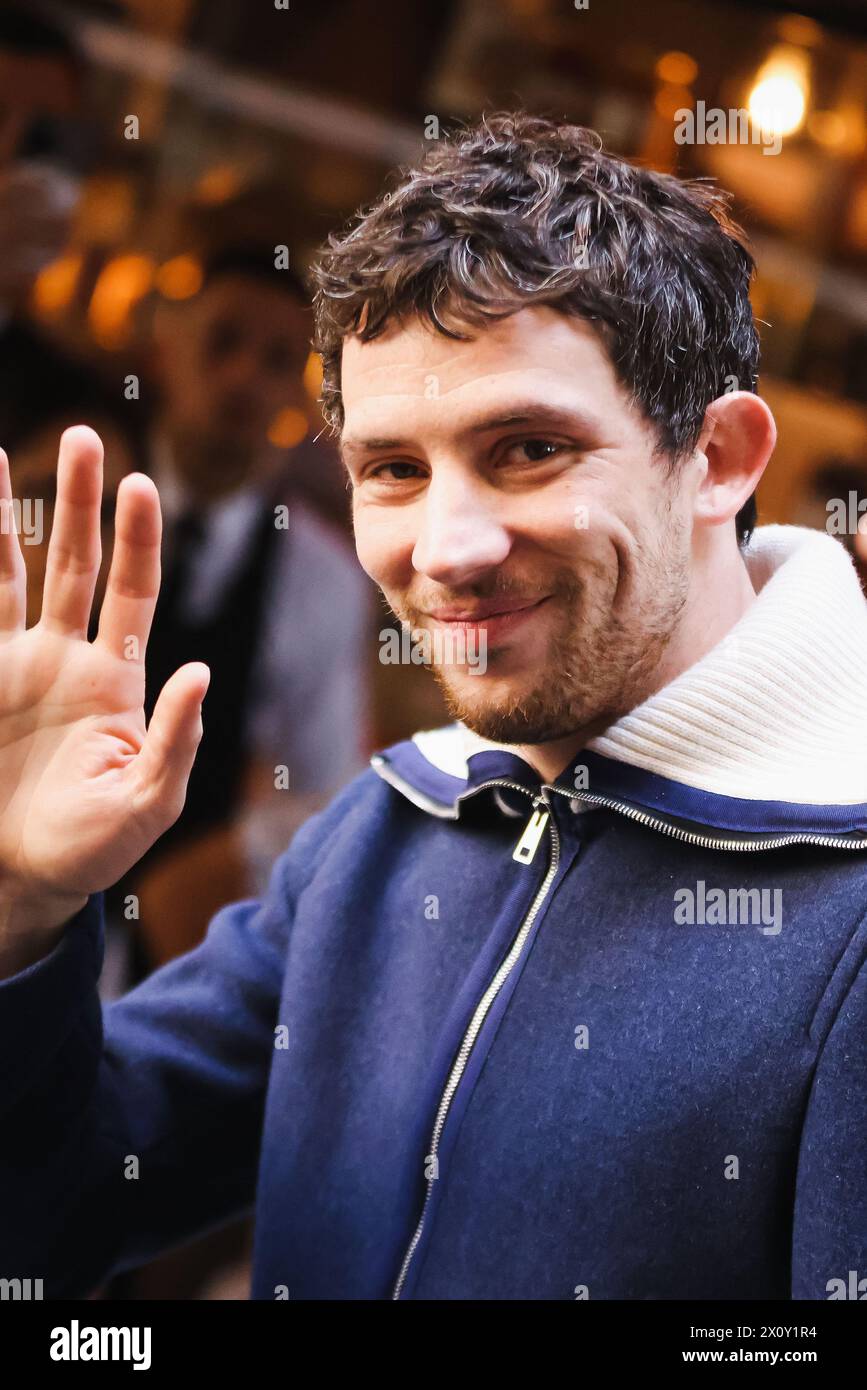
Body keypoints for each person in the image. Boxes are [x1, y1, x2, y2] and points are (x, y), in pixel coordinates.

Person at [0, 113, 865, 1301]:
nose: (446, 549)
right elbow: (55, 1214)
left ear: (715, 457)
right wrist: (23, 909)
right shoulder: (380, 827)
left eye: (526, 449)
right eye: (394, 468)